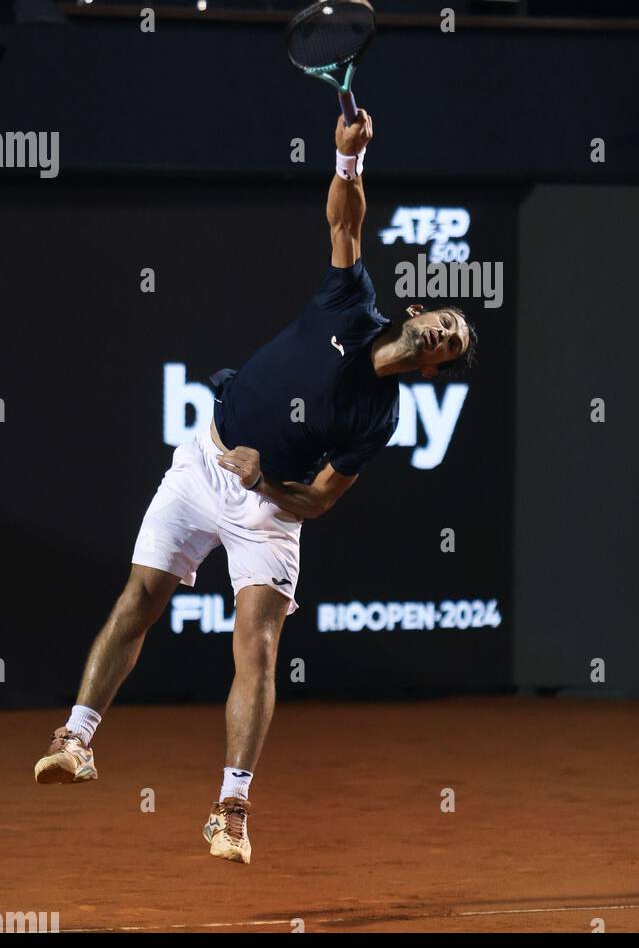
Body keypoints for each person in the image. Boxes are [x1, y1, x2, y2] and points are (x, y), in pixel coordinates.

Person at [34, 109, 477, 864]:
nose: (445, 332)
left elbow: (321, 501)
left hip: (267, 512)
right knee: (139, 598)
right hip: (201, 459)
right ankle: (76, 740)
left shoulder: (379, 418)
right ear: (418, 312)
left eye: (455, 343)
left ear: (436, 370)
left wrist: (264, 478)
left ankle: (230, 811)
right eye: (446, 319)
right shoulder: (350, 301)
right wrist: (347, 160)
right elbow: (346, 222)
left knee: (258, 649)